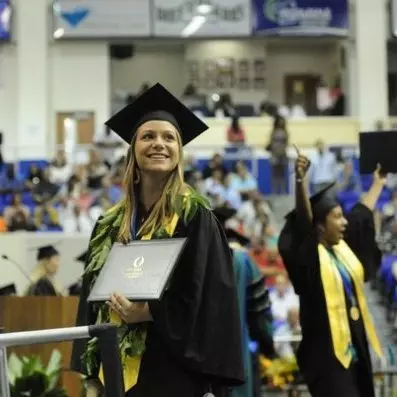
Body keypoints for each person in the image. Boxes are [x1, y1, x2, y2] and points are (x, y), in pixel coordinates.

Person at [71, 83, 244, 397]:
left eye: (168, 137)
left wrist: (149, 312)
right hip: (116, 371)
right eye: (148, 136)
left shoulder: (195, 217)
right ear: (132, 149)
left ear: (179, 151)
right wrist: (90, 373)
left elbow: (209, 301)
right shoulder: (109, 223)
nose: (158, 144)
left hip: (174, 373)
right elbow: (91, 299)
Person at [278, 146, 385, 397]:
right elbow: (304, 222)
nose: (344, 222)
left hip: (355, 353)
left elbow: (361, 215)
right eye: (337, 217)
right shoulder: (311, 259)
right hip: (328, 361)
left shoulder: (343, 251)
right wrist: (301, 181)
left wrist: (378, 184)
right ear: (319, 227)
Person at [213, 207, 276, 397]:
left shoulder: (194, 264)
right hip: (238, 358)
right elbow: (259, 313)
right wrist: (267, 345)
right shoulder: (242, 261)